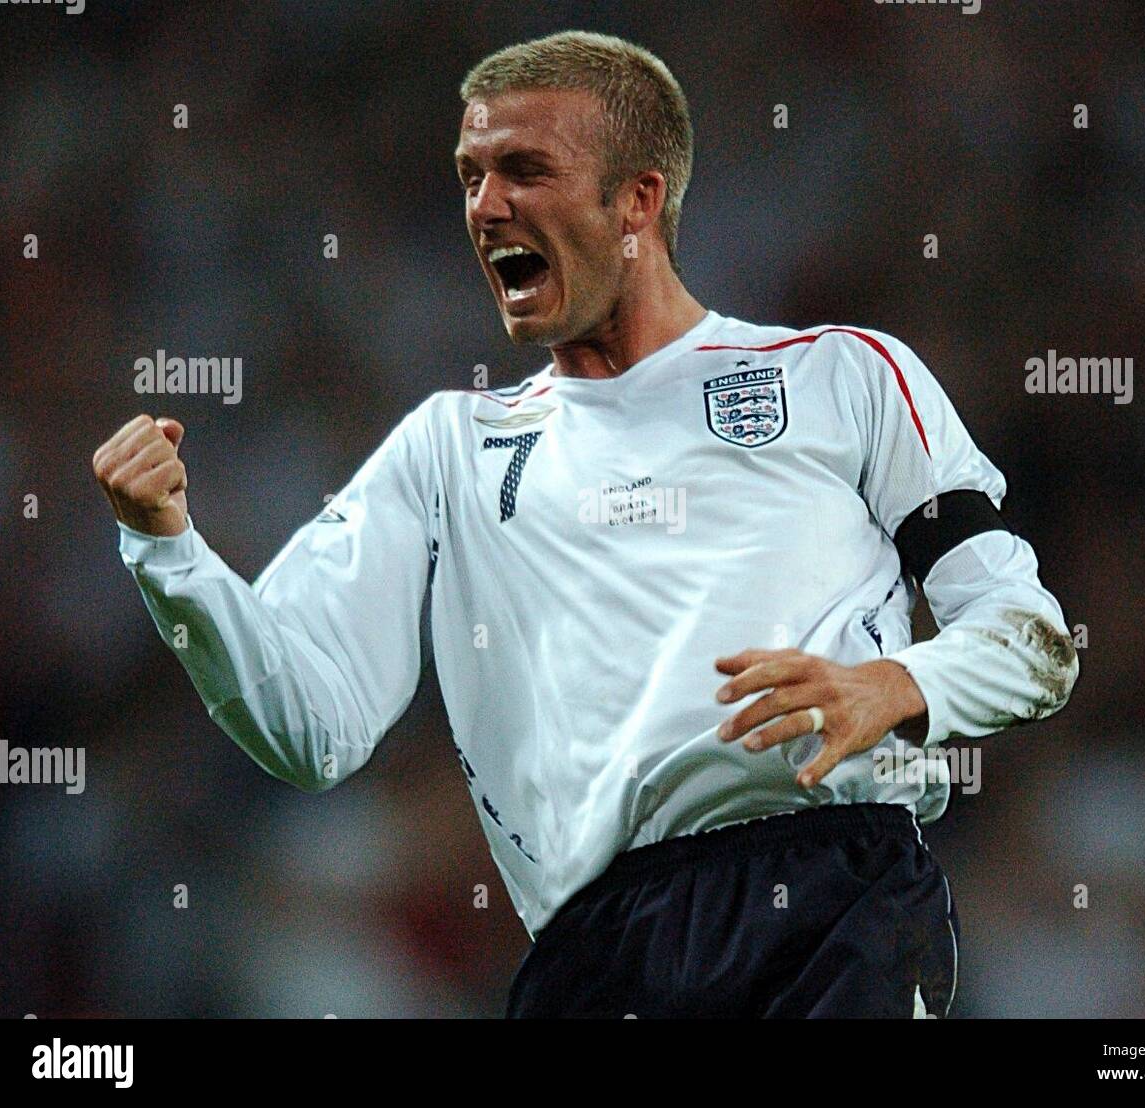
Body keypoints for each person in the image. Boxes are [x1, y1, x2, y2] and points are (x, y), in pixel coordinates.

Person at [92, 30, 1078, 1018]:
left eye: (524, 170)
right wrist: (170, 550)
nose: (485, 207)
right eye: (471, 176)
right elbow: (311, 727)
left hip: (829, 899)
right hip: (595, 957)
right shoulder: (447, 450)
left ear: (637, 201)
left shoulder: (845, 377)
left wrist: (896, 685)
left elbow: (1029, 639)